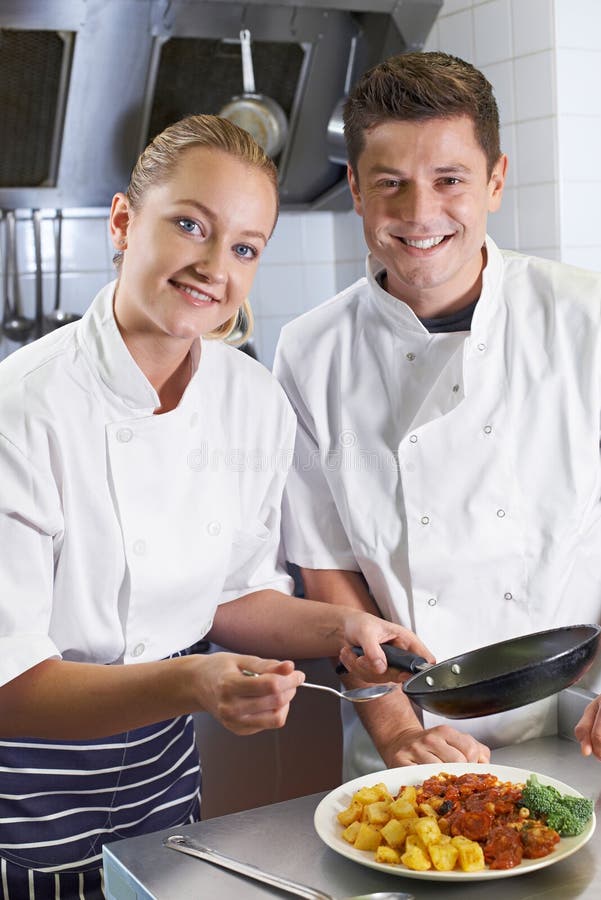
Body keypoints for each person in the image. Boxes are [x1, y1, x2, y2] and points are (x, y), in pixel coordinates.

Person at [0, 114, 431, 899]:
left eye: (243, 247)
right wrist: (194, 684)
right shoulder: (23, 410)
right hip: (27, 784)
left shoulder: (250, 399)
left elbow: (235, 593)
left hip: (166, 780)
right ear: (124, 223)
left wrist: (344, 628)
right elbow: (9, 686)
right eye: (189, 225)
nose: (211, 266)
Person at [273, 51, 601, 781]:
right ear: (354, 189)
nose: (419, 214)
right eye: (389, 184)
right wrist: (395, 731)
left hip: (583, 714)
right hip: (410, 726)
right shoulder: (310, 352)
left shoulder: (588, 320)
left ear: (495, 180)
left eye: (448, 180)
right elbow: (327, 565)